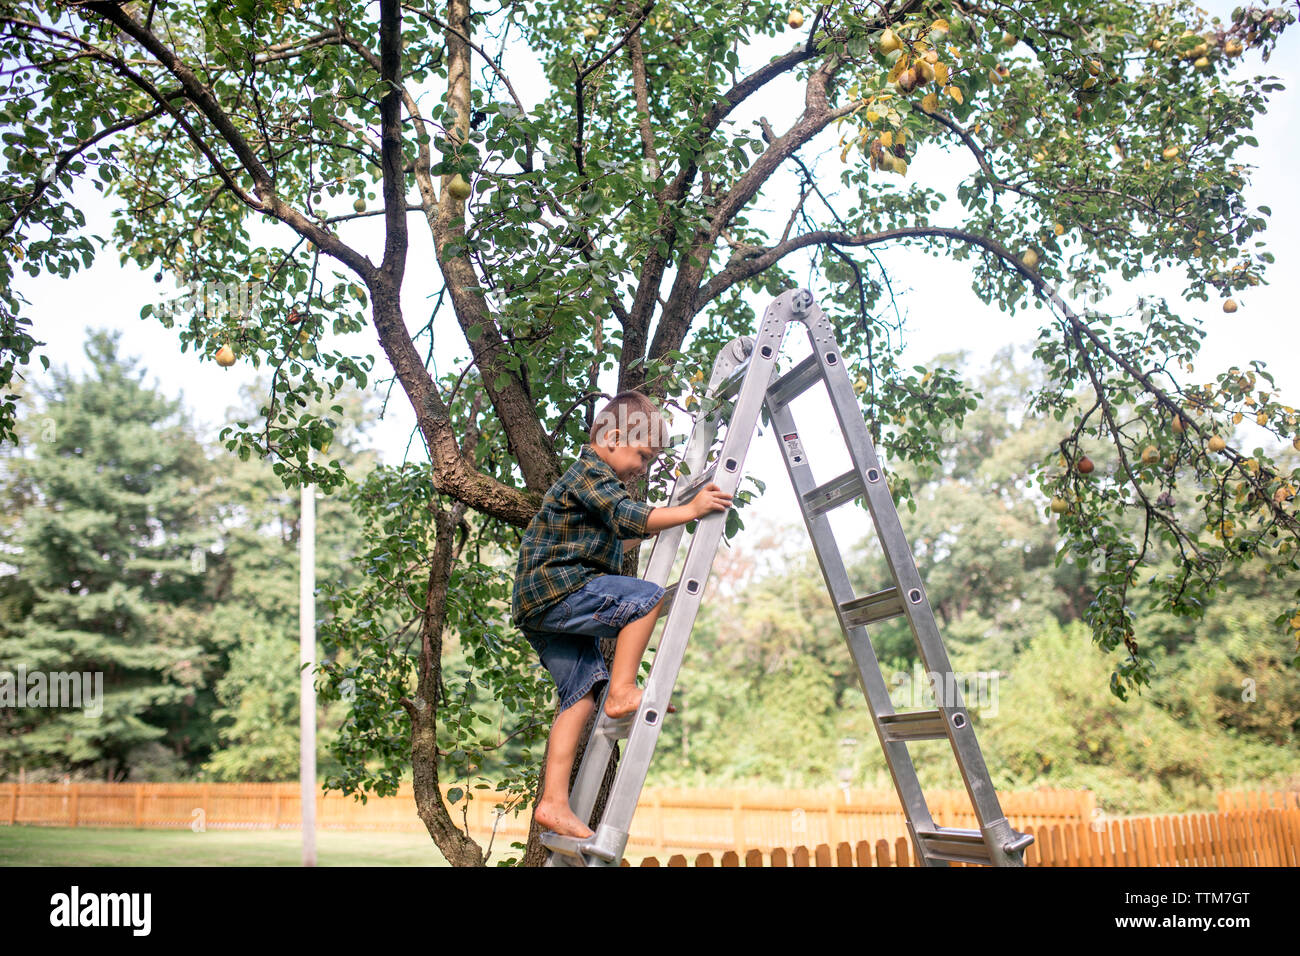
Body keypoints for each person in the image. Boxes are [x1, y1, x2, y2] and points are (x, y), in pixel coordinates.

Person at [512, 390, 732, 839]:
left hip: (542, 606)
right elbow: (626, 516)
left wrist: (669, 522)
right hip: (558, 590)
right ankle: (624, 691)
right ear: (612, 438)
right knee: (645, 598)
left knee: (579, 693)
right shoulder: (592, 473)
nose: (644, 468)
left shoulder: (590, 486)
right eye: (644, 455)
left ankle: (552, 802)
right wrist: (689, 509)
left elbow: (619, 535)